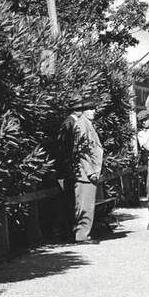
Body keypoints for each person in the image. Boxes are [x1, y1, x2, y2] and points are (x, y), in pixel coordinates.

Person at [62, 98, 104, 243]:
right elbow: (82, 151)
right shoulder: (81, 125)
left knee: (85, 204)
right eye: (90, 108)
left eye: (93, 108)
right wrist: (91, 172)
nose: (93, 111)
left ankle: (82, 233)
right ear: (83, 111)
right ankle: (82, 235)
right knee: (85, 205)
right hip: (85, 173)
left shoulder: (85, 124)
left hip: (86, 173)